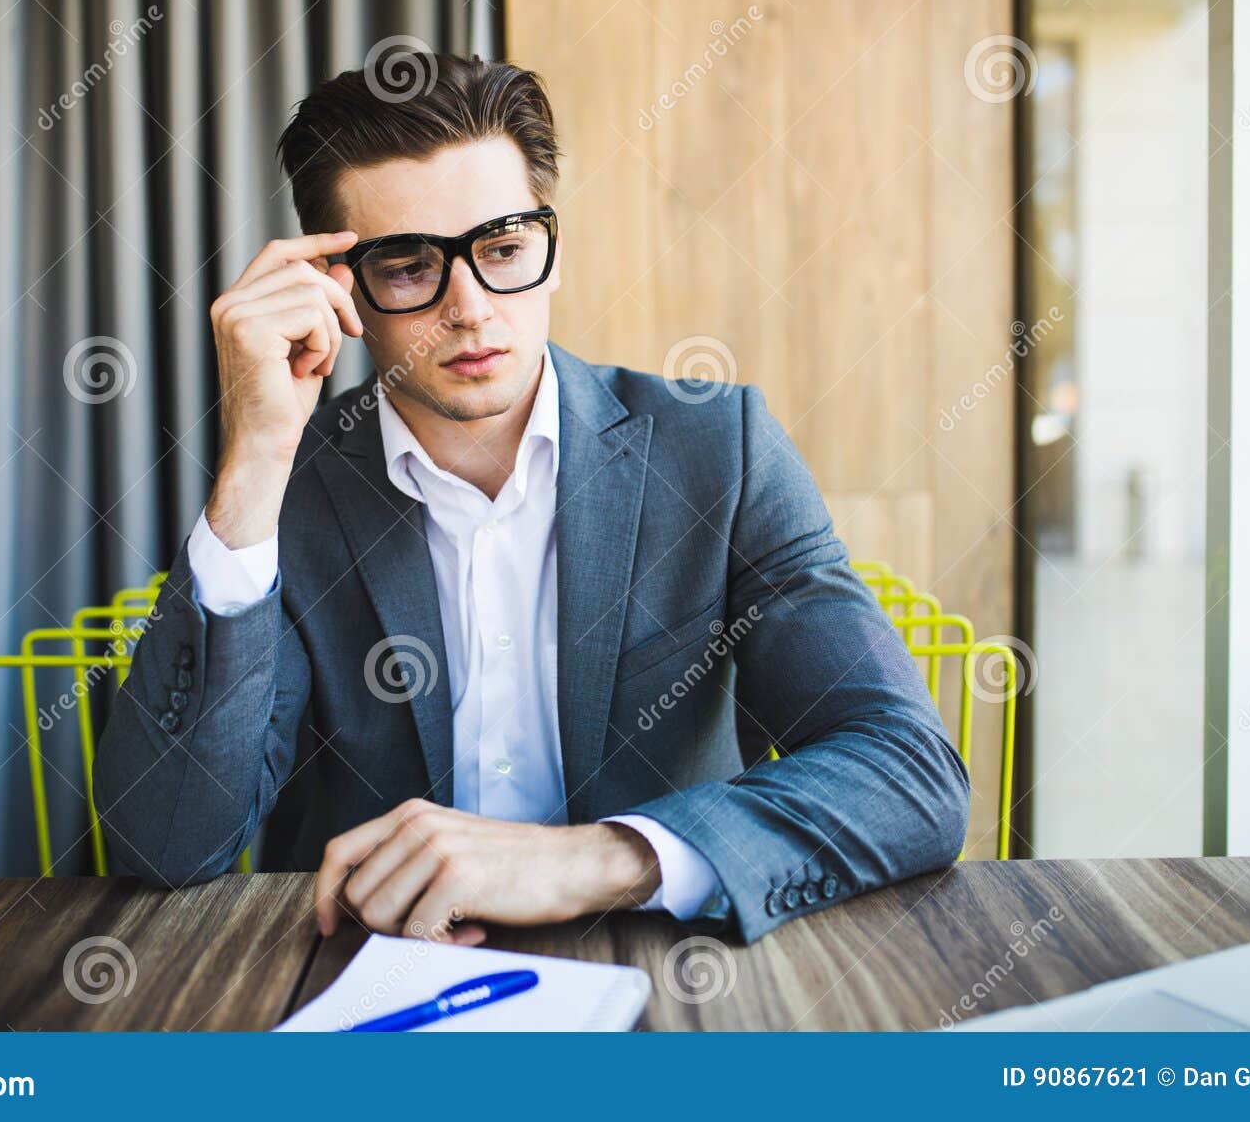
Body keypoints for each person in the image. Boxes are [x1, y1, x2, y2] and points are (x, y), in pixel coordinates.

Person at [95, 53, 969, 946]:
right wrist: (255, 459)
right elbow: (165, 839)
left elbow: (909, 773)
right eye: (408, 267)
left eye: (504, 249)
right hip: (385, 985)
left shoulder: (717, 450)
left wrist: (593, 859)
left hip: (670, 966)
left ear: (551, 253)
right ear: (340, 288)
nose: (471, 308)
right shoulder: (291, 490)